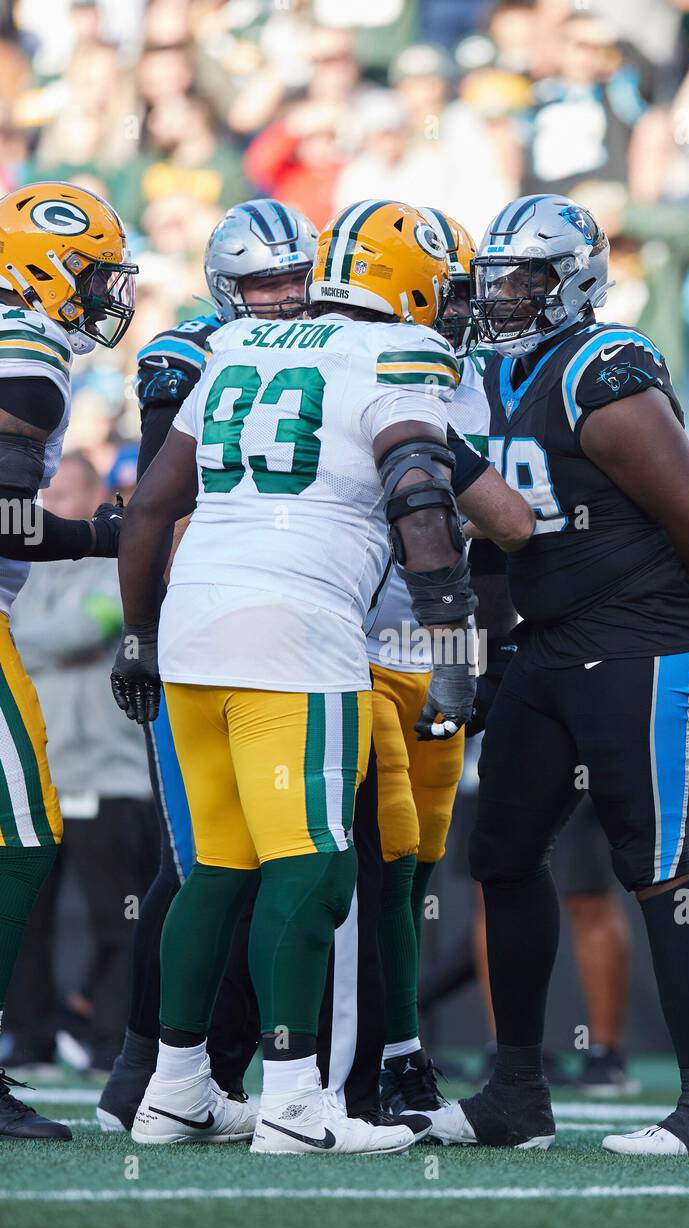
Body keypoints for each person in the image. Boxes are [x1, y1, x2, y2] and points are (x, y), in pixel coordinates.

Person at [110, 200, 534, 1156]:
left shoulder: (235, 344)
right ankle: (296, 1100)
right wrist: (456, 648)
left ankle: (174, 1091)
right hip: (297, 633)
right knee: (316, 863)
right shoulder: (403, 357)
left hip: (193, 628)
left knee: (215, 868)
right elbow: (423, 501)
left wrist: (140, 634)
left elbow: (146, 514)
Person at [425, 193, 689, 1156]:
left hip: (641, 636)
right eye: (497, 278)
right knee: (501, 856)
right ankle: (516, 1092)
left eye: (527, 277)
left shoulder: (602, 368)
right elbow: (494, 546)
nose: (505, 296)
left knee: (655, 864)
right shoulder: (489, 370)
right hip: (548, 639)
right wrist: (477, 656)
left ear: (572, 277)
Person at [97, 198, 319, 1130]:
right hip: (205, 632)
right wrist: (143, 629)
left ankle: (213, 1077)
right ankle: (148, 1069)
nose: (278, 299)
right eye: (260, 284)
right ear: (226, 287)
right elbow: (161, 504)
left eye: (291, 280)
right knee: (199, 863)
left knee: (255, 862)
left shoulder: (318, 345)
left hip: (277, 628)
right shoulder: (190, 353)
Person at [0, 180, 135, 1140]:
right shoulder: (29, 351)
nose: (103, 291)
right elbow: (4, 517)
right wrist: (104, 537)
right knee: (26, 832)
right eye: (90, 270)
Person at [369, 207, 490, 1115]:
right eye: (448, 285)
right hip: (353, 642)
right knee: (366, 858)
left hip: (434, 642)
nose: (465, 306)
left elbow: (483, 520)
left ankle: (398, 1046)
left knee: (417, 866)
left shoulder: (463, 373)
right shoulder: (350, 358)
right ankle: (347, 1056)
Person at [6, 453, 157, 1074]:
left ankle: (104, 1042)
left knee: (118, 917)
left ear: (96, 493)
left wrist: (23, 640)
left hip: (108, 775)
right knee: (25, 916)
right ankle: (31, 1038)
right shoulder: (28, 568)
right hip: (40, 770)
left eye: (69, 491)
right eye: (49, 493)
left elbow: (67, 633)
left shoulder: (119, 565)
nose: (52, 504)